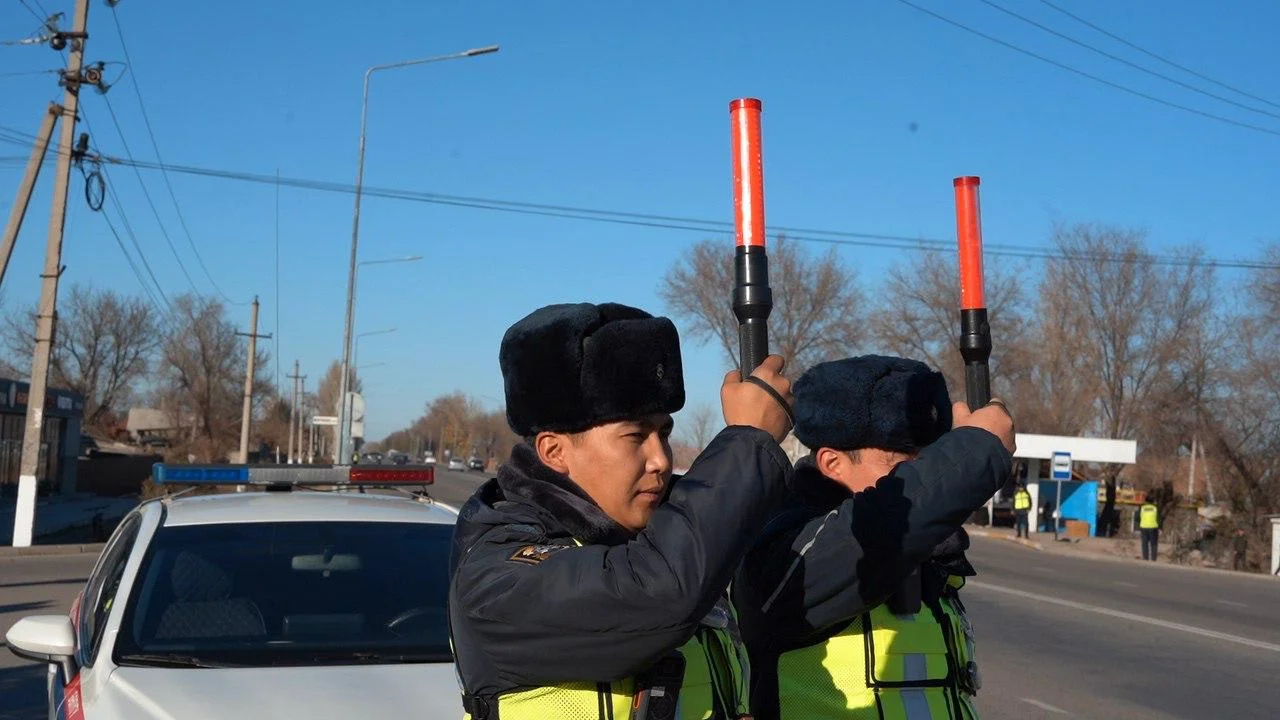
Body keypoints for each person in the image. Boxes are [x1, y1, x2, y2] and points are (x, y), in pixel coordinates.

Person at [448, 301, 795, 720]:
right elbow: (655, 592)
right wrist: (748, 442)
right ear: (554, 450)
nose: (661, 460)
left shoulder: (679, 538)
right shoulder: (496, 574)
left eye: (664, 433)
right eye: (635, 436)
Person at [731, 355, 1016, 720]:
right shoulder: (787, 552)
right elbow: (870, 534)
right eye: (900, 464)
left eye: (928, 459)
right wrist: (973, 454)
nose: (919, 474)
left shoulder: (924, 550)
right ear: (832, 463)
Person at [1139, 497, 1160, 561]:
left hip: (1144, 527)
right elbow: (1158, 518)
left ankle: (1145, 558)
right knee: (1153, 544)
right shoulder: (1155, 508)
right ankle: (1153, 559)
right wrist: (1159, 526)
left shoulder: (1142, 508)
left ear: (1145, 501)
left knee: (1144, 543)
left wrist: (1141, 521)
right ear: (1153, 501)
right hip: (1153, 527)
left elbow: (1137, 517)